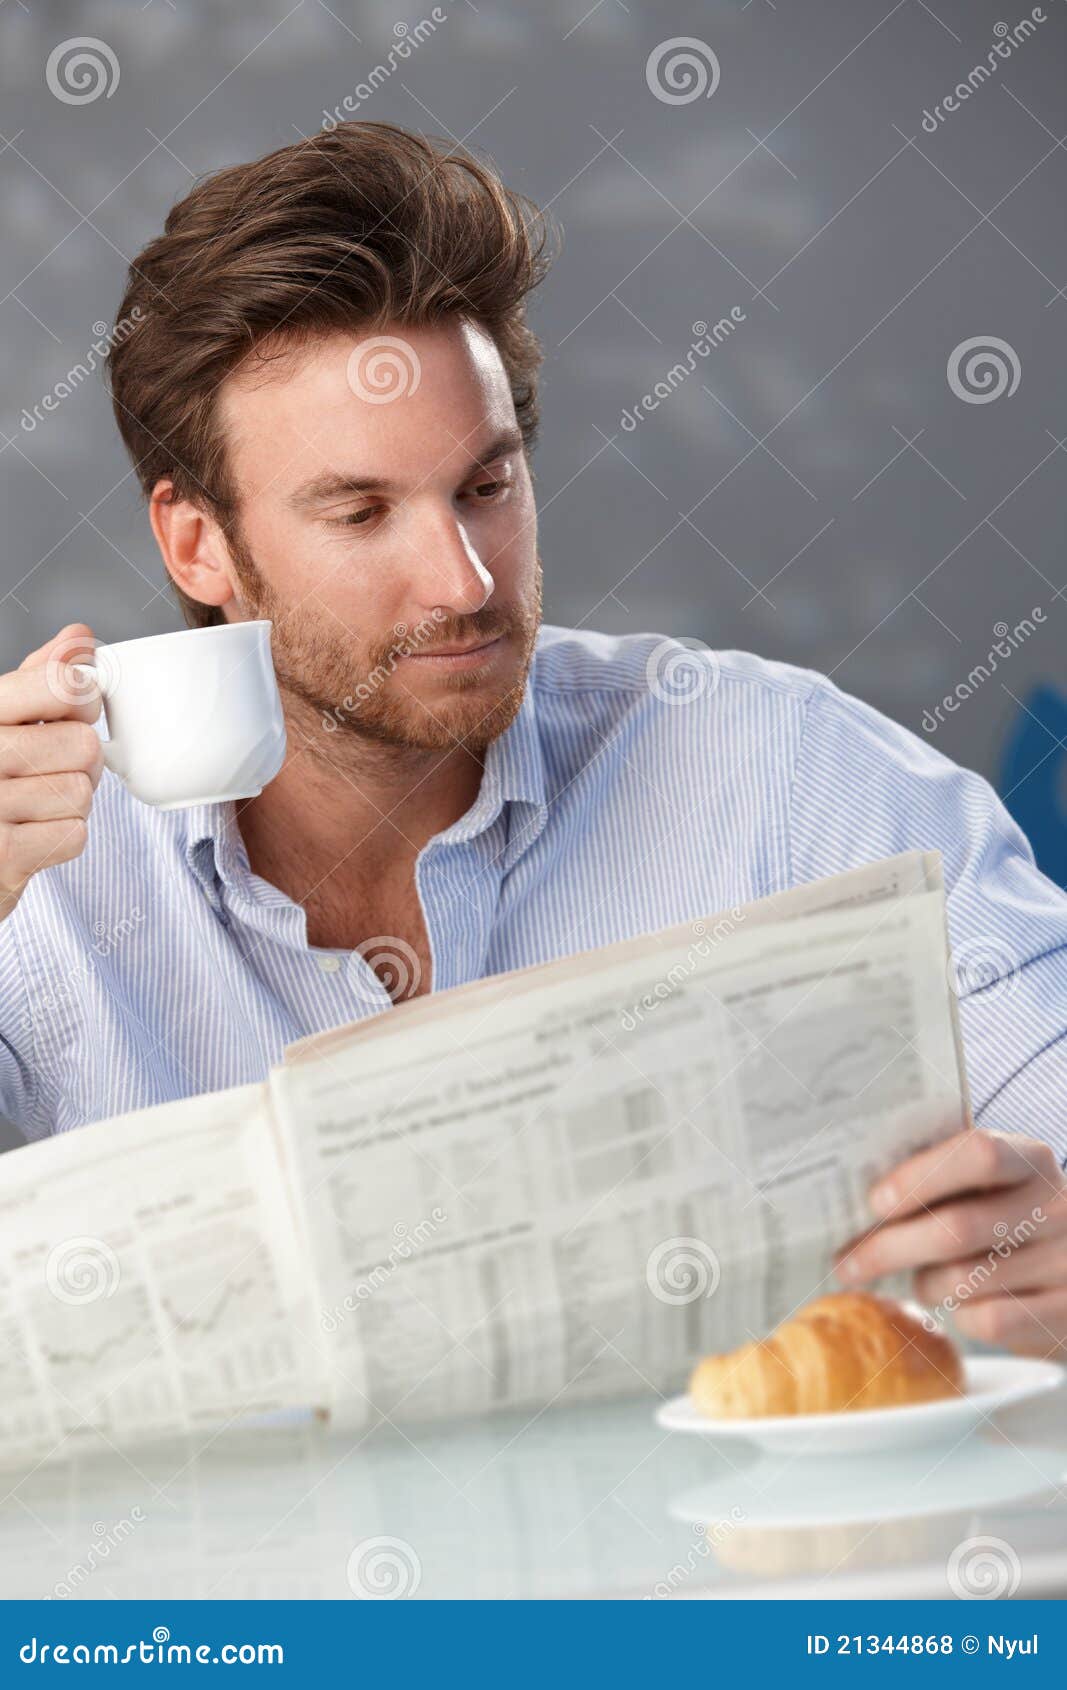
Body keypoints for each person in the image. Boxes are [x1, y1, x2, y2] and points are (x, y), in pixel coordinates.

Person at [0, 123, 1063, 1356]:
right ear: (199, 546)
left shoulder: (777, 771)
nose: (460, 582)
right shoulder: (38, 893)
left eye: (484, 487)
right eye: (360, 511)